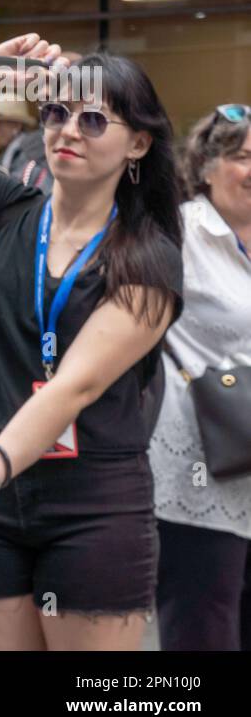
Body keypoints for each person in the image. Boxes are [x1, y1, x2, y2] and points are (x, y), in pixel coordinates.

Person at [0, 37, 185, 650]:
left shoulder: (148, 258)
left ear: (138, 143)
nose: (69, 130)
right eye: (57, 113)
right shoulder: (7, 208)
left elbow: (75, 385)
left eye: (93, 119)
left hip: (91, 504)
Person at [149, 103, 251, 650]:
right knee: (202, 627)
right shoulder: (180, 233)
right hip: (200, 467)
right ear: (207, 166)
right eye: (243, 157)